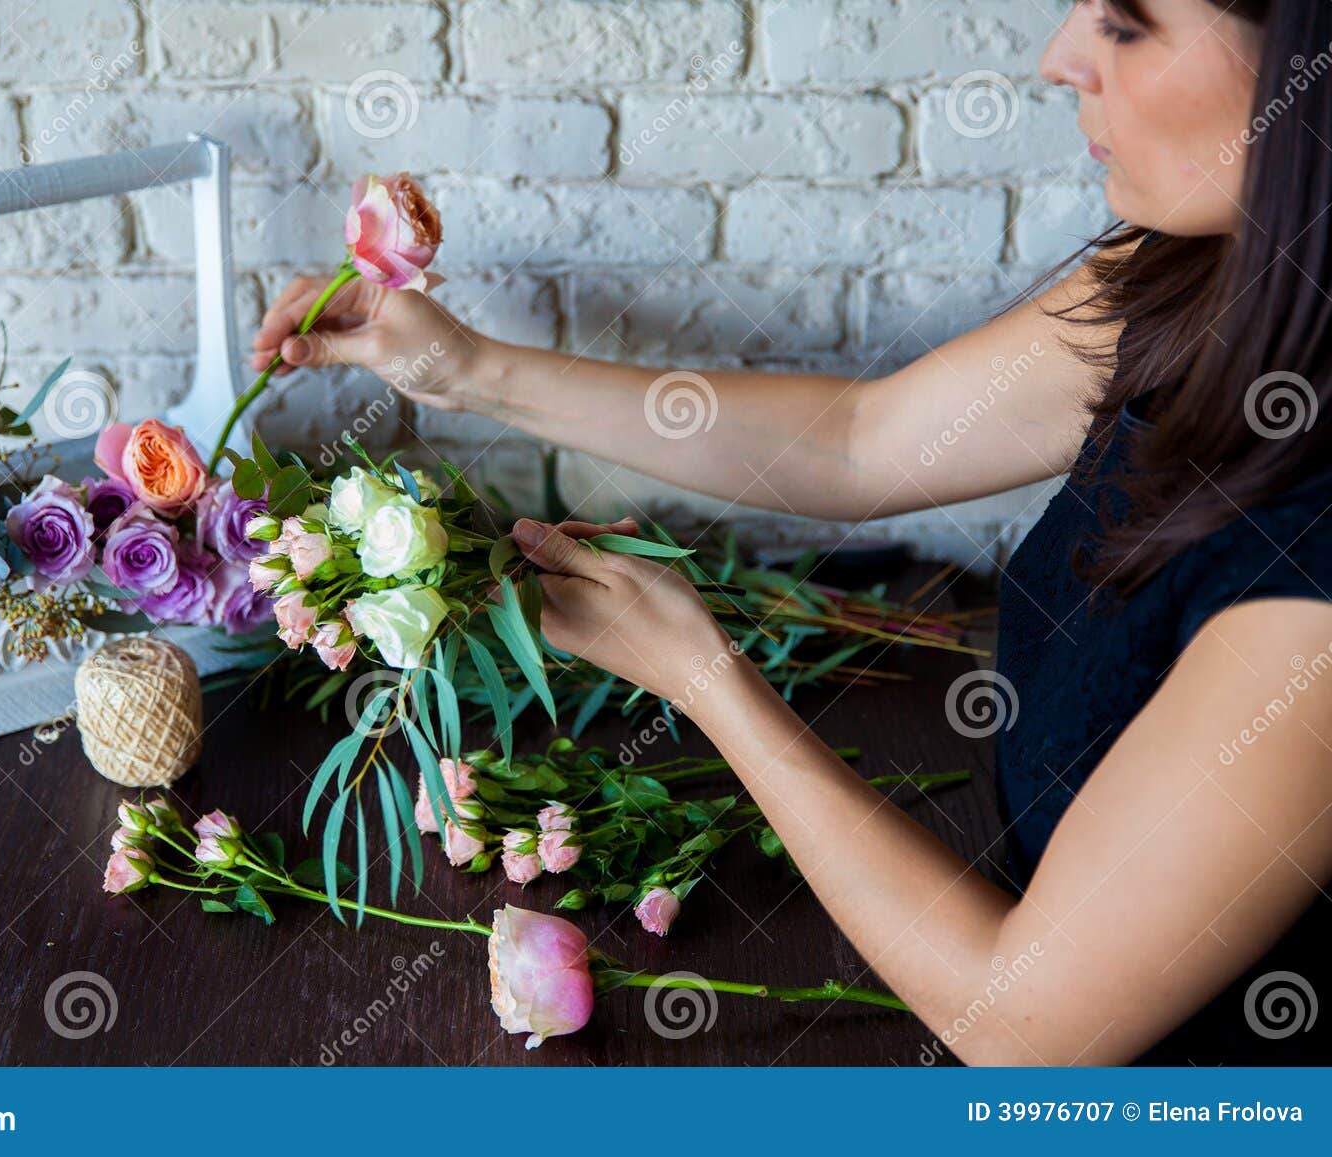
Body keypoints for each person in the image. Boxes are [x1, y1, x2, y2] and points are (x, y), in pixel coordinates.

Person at [251, 0, 1331, 1064]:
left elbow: (1021, 1024)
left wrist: (700, 671)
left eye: (1127, 23)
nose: (1059, 58)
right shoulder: (1201, 280)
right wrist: (469, 371)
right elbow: (858, 443)